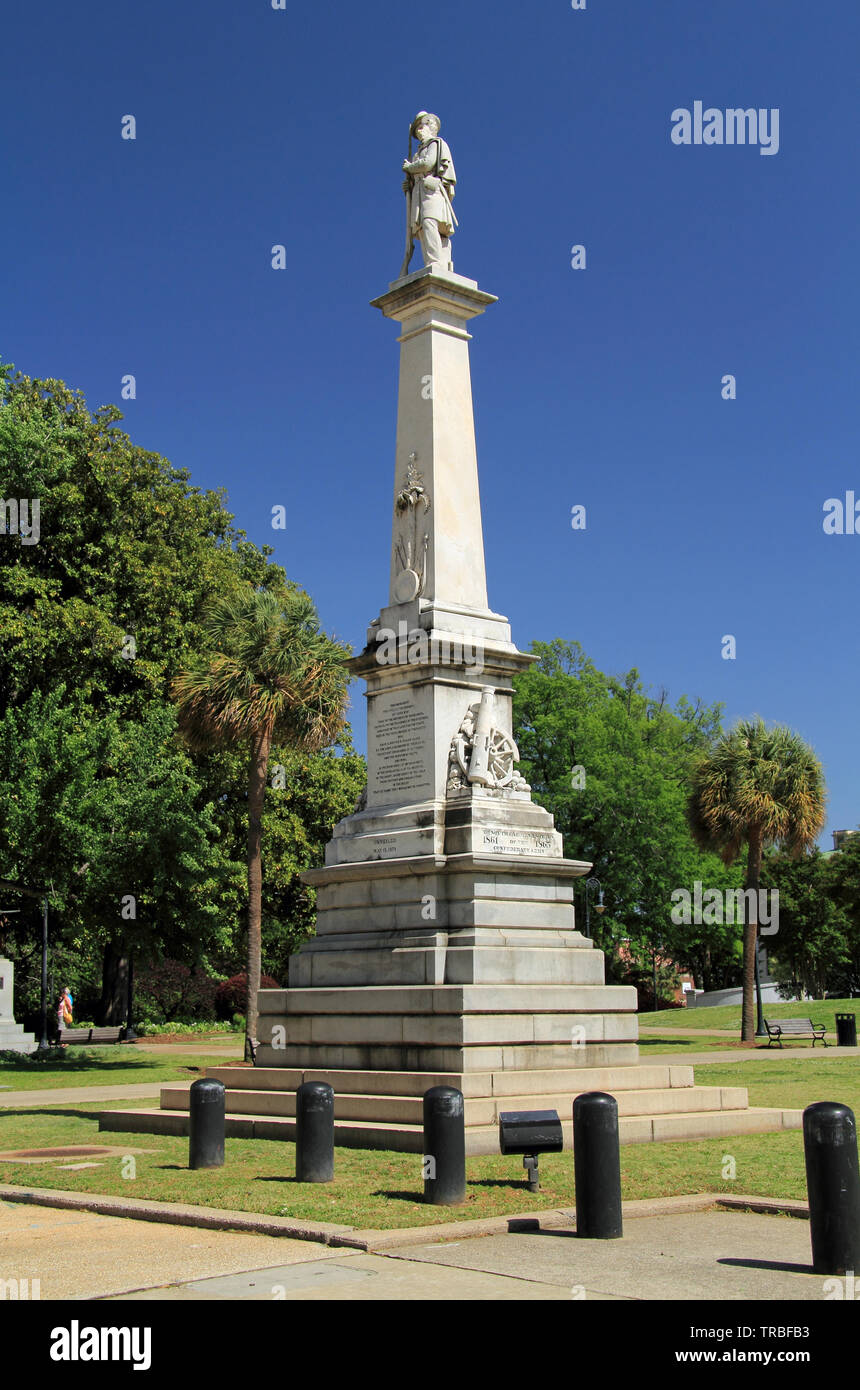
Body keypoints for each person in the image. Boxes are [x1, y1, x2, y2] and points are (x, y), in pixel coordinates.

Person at [402, 112, 457, 271]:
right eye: (417, 129)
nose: (419, 131)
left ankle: (437, 262)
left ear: (430, 126)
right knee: (422, 229)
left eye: (421, 127)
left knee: (431, 222)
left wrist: (409, 167)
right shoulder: (417, 153)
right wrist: (409, 186)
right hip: (419, 191)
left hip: (432, 189)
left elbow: (428, 164)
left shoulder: (435, 143)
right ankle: (435, 262)